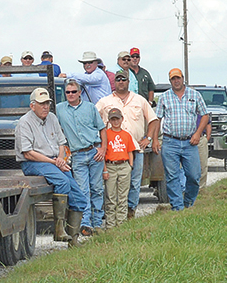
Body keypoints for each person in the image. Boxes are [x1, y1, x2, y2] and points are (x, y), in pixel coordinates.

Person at [15, 88, 87, 243]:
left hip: (54, 162)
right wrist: (55, 162)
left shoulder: (52, 118)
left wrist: (60, 159)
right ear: (32, 105)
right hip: (33, 163)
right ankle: (58, 229)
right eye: (41, 104)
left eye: (47, 103)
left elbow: (61, 142)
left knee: (80, 199)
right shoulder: (24, 122)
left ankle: (73, 242)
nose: (45, 107)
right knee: (62, 182)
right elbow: (27, 153)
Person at [94, 68, 159, 220]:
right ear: (114, 82)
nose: (121, 82)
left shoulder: (139, 100)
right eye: (118, 80)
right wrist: (98, 141)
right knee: (111, 184)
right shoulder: (105, 101)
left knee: (135, 183)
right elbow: (92, 119)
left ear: (128, 82)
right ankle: (112, 215)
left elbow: (153, 120)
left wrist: (148, 138)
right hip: (112, 151)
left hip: (135, 148)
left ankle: (130, 212)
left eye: (124, 79)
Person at [53, 79, 103, 235]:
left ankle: (98, 222)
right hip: (77, 154)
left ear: (79, 93)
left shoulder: (90, 107)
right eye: (67, 92)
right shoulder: (59, 109)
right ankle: (85, 223)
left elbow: (102, 128)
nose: (70, 94)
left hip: (94, 151)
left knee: (97, 189)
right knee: (83, 190)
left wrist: (103, 148)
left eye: (73, 91)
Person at [155, 68, 208, 210]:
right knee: (172, 176)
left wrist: (198, 133)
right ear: (170, 81)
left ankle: (188, 202)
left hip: (189, 142)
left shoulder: (194, 95)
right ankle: (177, 207)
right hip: (170, 142)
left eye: (178, 78)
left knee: (194, 176)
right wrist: (154, 139)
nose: (176, 81)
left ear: (183, 78)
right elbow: (157, 119)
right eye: (173, 79)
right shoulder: (164, 97)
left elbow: (205, 115)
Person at [98, 108, 138, 228]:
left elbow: (130, 151)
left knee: (123, 196)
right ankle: (110, 225)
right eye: (113, 119)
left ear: (122, 119)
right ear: (109, 121)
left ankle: (121, 224)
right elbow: (103, 153)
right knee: (110, 196)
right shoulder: (106, 134)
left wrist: (130, 166)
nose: (115, 122)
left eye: (117, 119)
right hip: (111, 166)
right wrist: (104, 169)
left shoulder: (126, 135)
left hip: (124, 165)